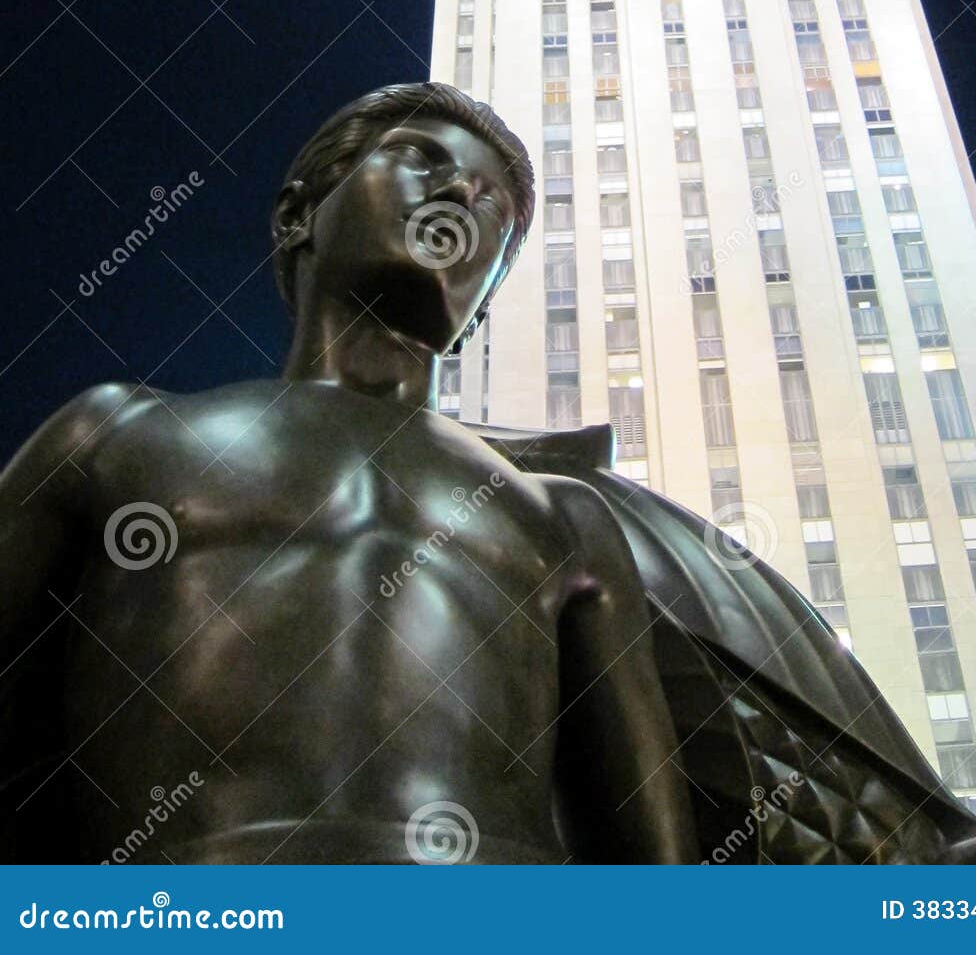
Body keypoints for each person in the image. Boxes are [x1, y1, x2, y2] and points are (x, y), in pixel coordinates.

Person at [0, 83, 696, 865]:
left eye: (490, 204)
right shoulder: (116, 436)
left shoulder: (563, 517)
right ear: (298, 215)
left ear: (486, 301)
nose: (458, 194)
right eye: (415, 158)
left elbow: (653, 860)